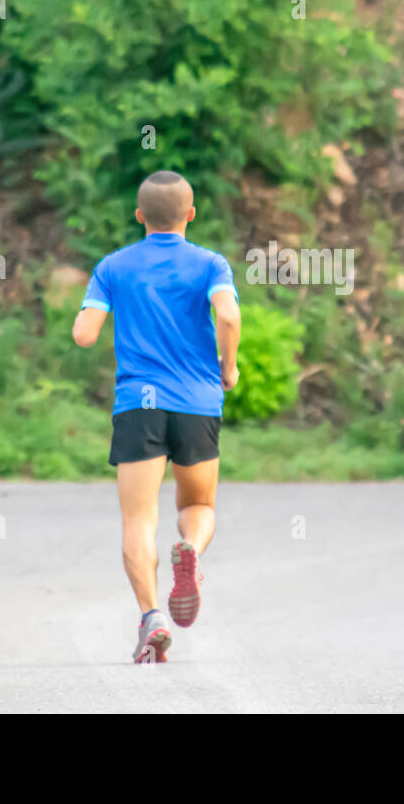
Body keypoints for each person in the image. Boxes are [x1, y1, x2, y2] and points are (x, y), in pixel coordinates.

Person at [72, 170, 241, 663]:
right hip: (196, 401)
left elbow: (84, 335)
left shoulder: (112, 267)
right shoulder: (211, 263)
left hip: (138, 405)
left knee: (137, 520)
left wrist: (101, 314)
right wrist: (227, 368)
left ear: (139, 215)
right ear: (191, 214)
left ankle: (152, 618)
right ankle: (189, 547)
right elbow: (228, 316)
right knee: (198, 506)